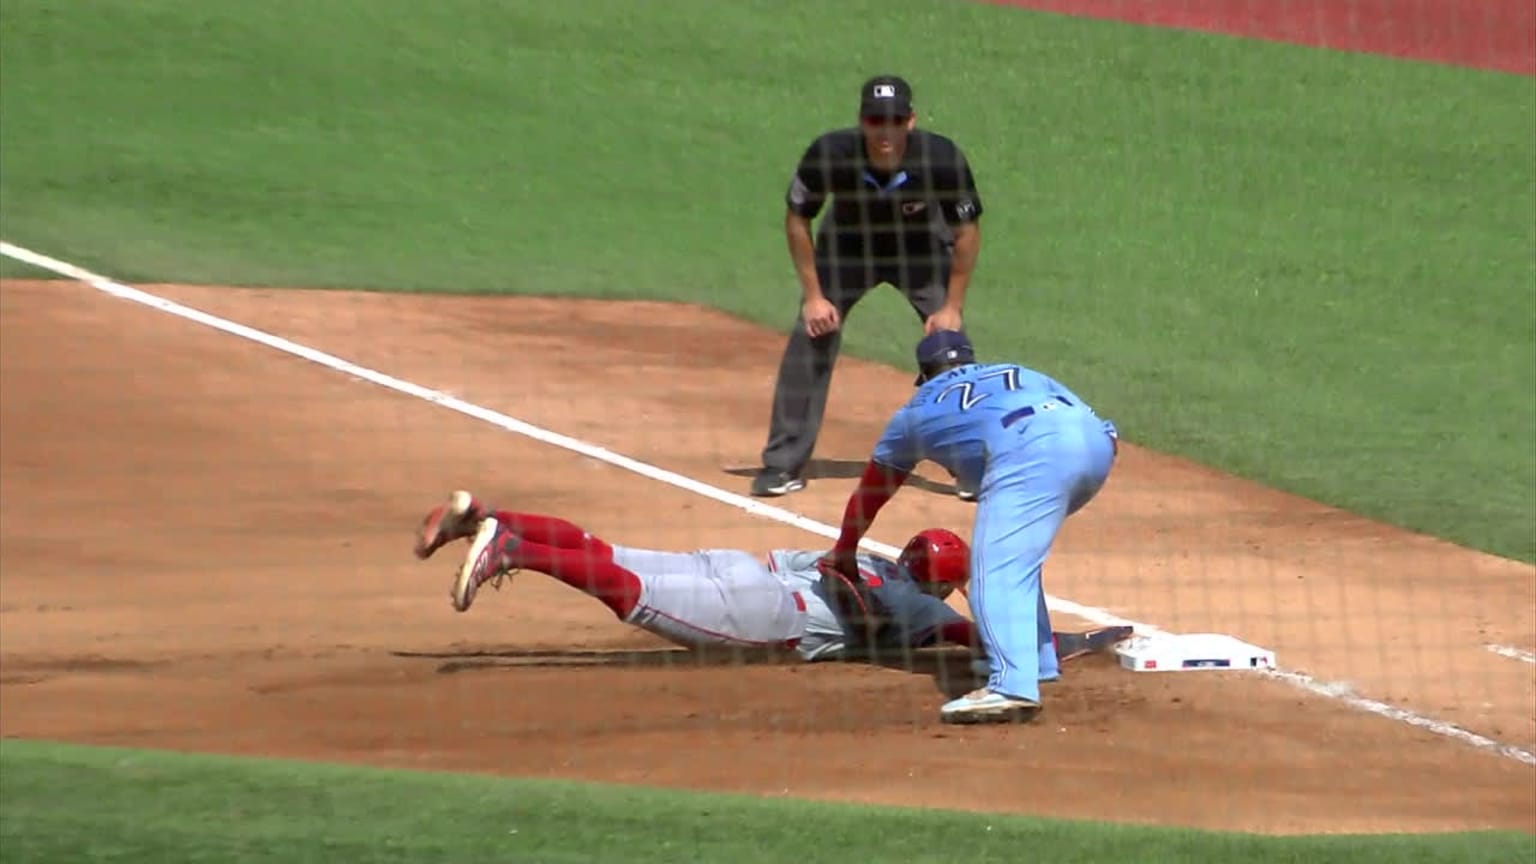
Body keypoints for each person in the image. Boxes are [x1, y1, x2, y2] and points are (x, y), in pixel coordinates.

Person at [411, 490, 1128, 671]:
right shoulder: (919, 611)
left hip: (741, 565)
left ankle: (487, 514)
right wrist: (1072, 640)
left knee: (611, 552)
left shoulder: (875, 562)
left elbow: (828, 573)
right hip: (759, 612)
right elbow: (989, 637)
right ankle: (512, 549)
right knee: (627, 594)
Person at [819, 330, 1120, 725]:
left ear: (925, 374)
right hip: (1094, 445)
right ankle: (1038, 658)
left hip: (1029, 447)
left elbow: (872, 492)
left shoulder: (917, 408)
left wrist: (846, 550)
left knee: (994, 571)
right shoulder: (1016, 371)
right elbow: (1106, 433)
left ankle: (1011, 687)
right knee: (1016, 560)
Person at [751, 74, 985, 500]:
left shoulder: (940, 158)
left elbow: (967, 232)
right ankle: (781, 466)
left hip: (920, 251)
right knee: (811, 338)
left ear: (910, 121)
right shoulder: (830, 154)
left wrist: (952, 306)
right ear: (862, 120)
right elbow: (797, 218)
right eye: (876, 120)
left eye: (894, 120)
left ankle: (970, 465)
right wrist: (813, 296)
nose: (885, 130)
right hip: (848, 248)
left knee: (950, 347)